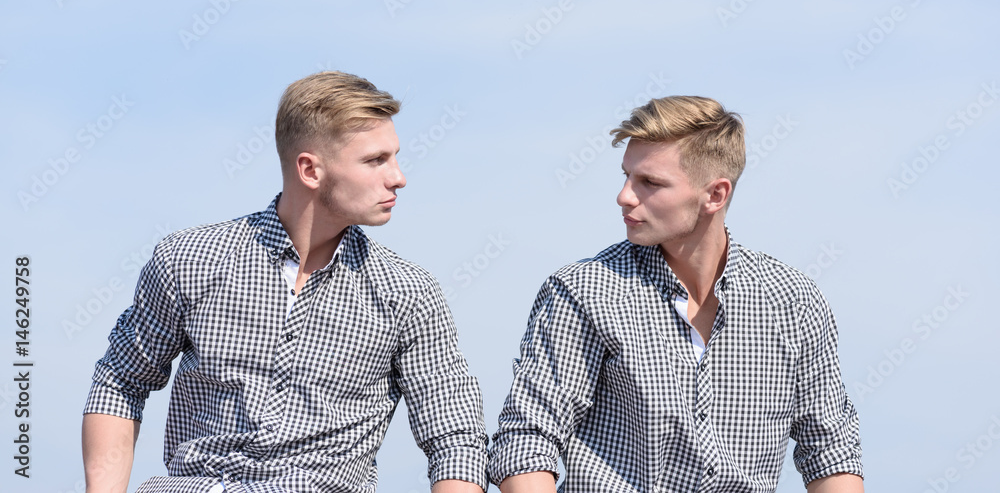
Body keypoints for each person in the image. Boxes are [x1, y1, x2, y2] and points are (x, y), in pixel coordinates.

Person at [82, 71, 488, 493]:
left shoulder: (407, 292)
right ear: (310, 170)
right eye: (375, 160)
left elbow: (456, 436)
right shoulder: (191, 259)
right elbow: (121, 379)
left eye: (395, 157)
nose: (398, 177)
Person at [489, 96, 863, 493]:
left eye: (649, 183)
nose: (624, 196)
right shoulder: (584, 292)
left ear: (715, 195)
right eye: (626, 176)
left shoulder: (793, 302)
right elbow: (526, 441)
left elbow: (830, 451)